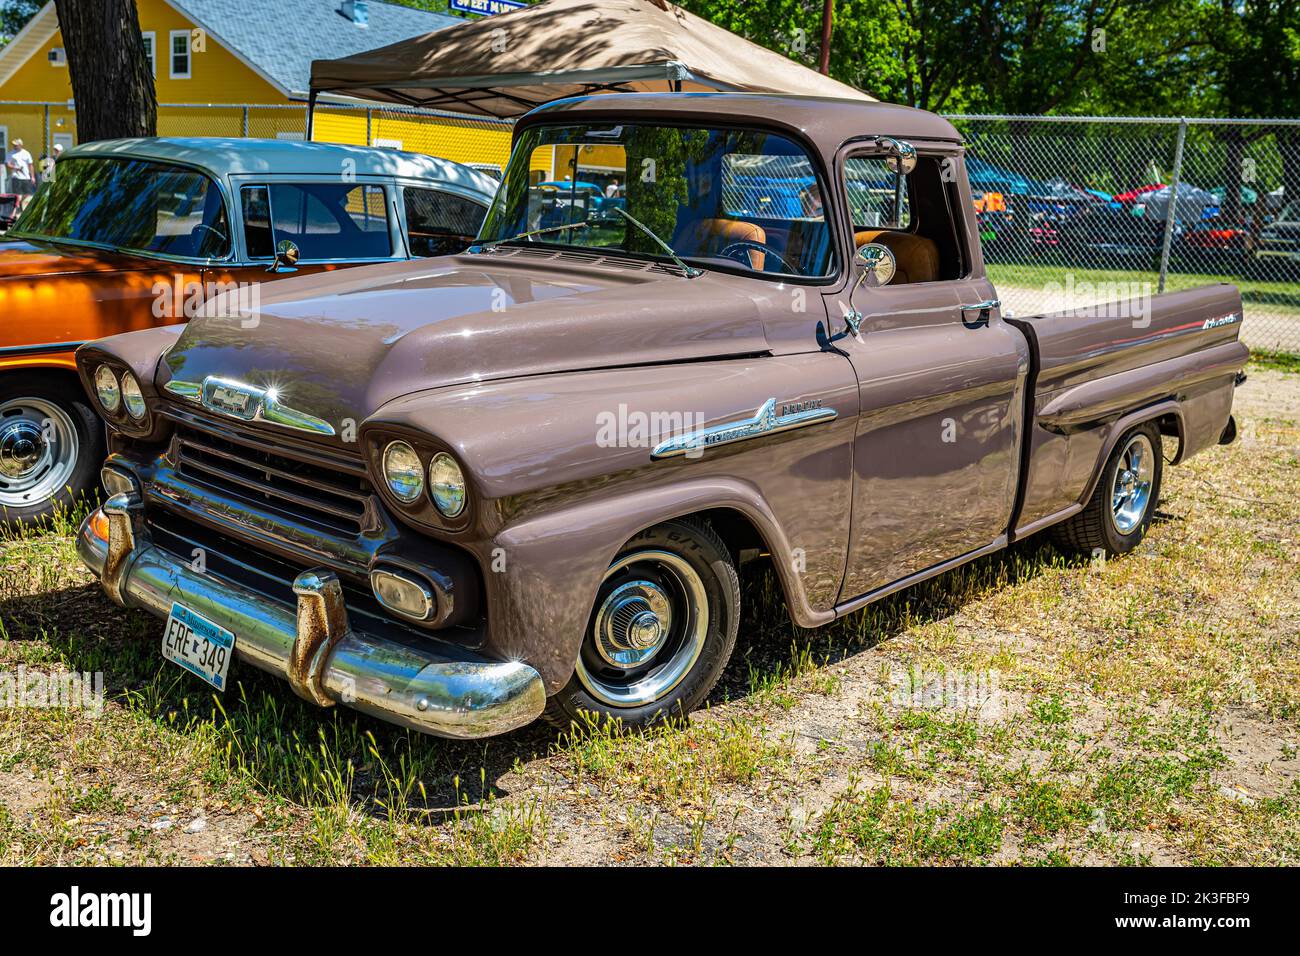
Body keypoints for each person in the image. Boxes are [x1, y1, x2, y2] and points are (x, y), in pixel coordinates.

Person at [5, 138, 35, 210]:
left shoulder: (26, 153)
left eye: (16, 145)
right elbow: (8, 164)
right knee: (17, 195)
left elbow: (30, 165)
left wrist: (32, 177)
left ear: (20, 145)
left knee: (28, 195)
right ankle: (17, 212)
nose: (14, 146)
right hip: (16, 178)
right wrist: (15, 167)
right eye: (14, 145)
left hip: (26, 178)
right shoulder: (10, 154)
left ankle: (23, 209)